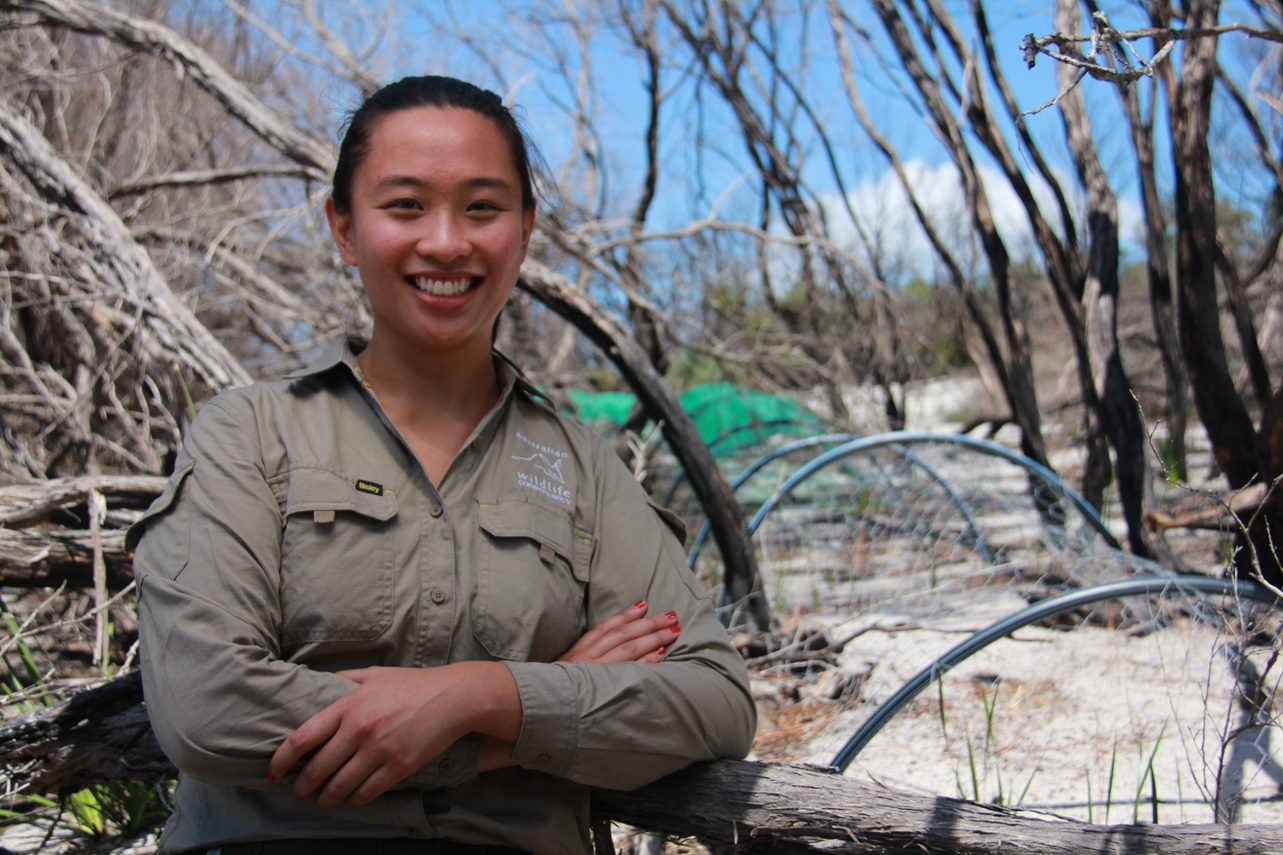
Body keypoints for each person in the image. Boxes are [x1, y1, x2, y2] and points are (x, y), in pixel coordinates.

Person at [128, 75, 756, 855]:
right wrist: (524, 719)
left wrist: (482, 692)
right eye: (404, 205)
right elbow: (206, 705)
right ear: (345, 228)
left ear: (524, 231)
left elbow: (715, 700)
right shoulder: (249, 433)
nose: (446, 242)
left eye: (483, 207)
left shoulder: (582, 470)